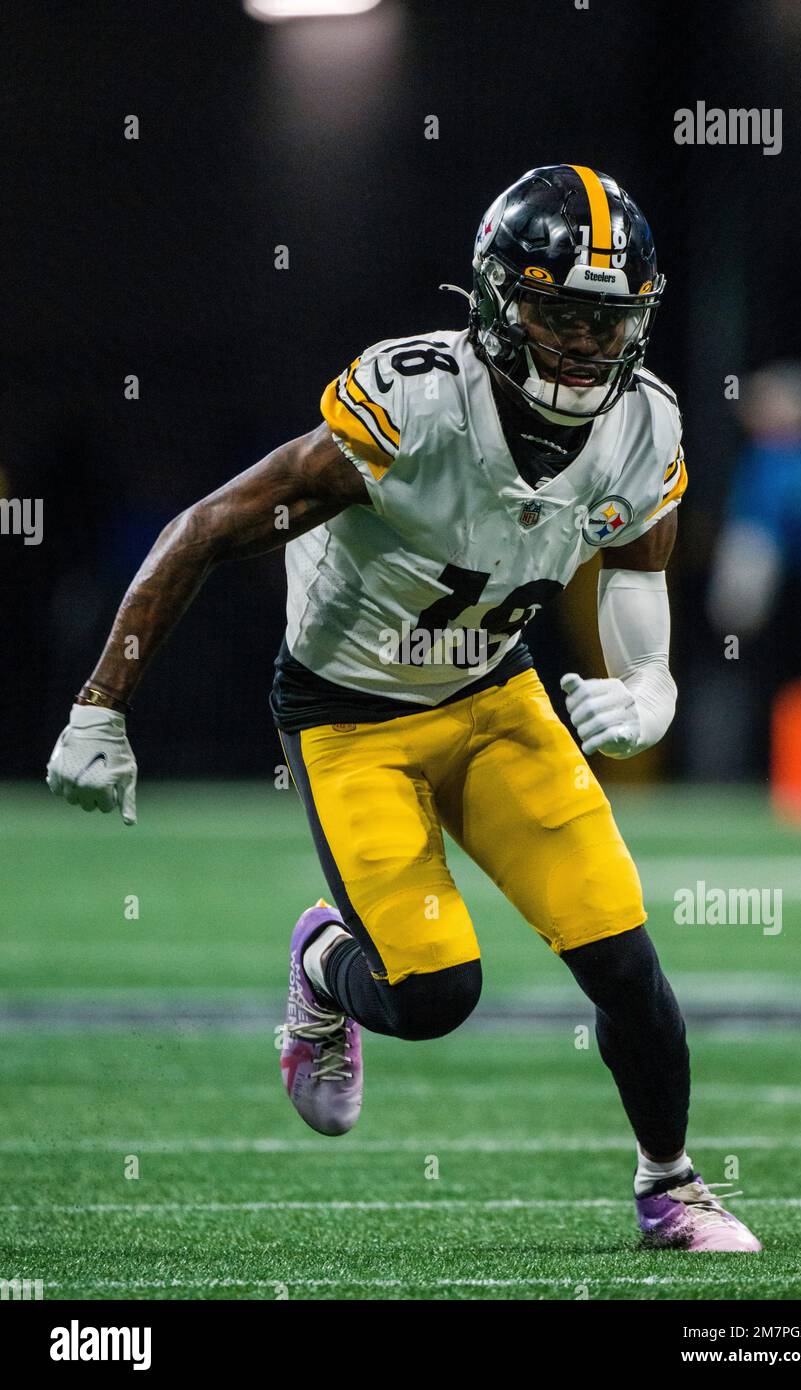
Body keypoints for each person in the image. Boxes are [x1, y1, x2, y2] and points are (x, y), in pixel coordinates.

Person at [46, 165, 760, 1252]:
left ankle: (668, 1185)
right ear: (491, 301)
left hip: (494, 696)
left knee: (621, 958)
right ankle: (323, 962)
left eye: (605, 322)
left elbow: (632, 561)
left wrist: (650, 678)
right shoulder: (413, 406)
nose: (580, 346)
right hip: (351, 717)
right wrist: (102, 702)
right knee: (432, 994)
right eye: (555, 315)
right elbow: (203, 528)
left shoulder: (641, 425)